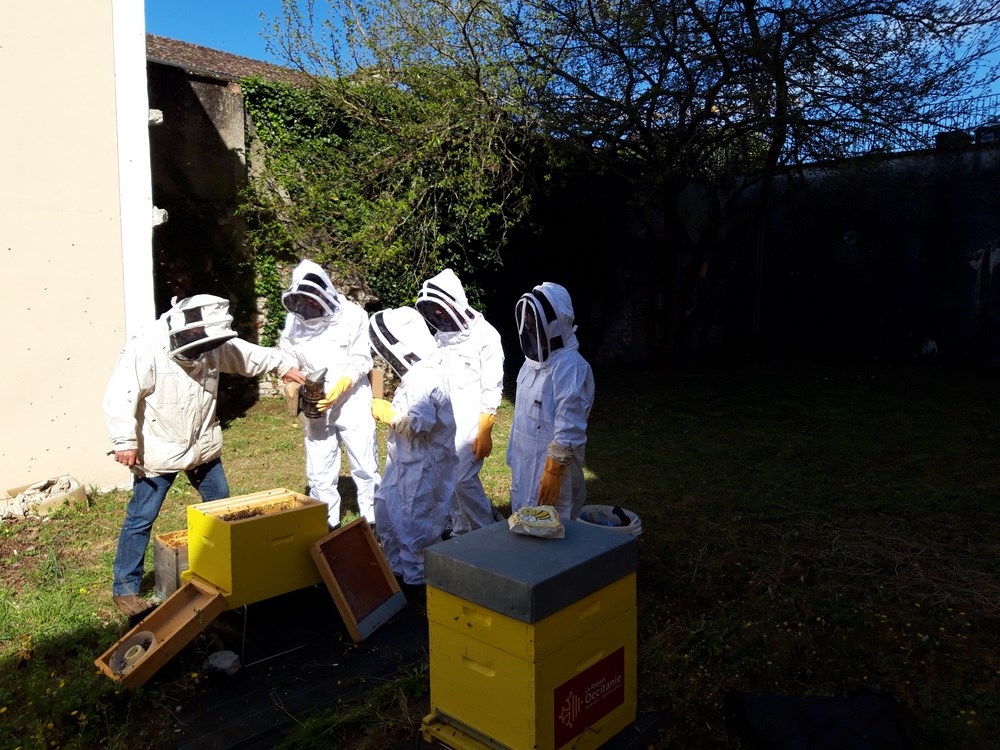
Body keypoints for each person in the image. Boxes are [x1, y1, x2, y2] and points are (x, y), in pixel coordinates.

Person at [103, 294, 305, 616]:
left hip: (202, 444)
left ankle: (220, 569)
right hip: (160, 446)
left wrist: (283, 365)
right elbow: (120, 395)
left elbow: (245, 355)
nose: (204, 348)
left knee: (221, 508)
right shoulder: (145, 348)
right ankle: (124, 589)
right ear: (186, 330)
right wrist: (125, 441)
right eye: (199, 340)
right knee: (142, 516)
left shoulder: (210, 342)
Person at [278, 259, 381, 530]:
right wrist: (289, 380)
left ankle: (374, 518)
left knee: (365, 463)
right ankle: (326, 522)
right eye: (302, 300)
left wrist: (343, 384)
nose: (309, 307)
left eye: (313, 300)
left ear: (325, 293)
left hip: (352, 400)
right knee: (319, 467)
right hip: (316, 401)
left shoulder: (354, 315)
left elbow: (362, 359)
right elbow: (287, 359)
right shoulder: (293, 322)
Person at [368, 306, 458, 587]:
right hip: (403, 458)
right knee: (386, 509)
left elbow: (420, 425)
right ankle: (396, 570)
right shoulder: (419, 371)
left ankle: (417, 581)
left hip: (423, 462)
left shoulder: (424, 375)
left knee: (415, 521)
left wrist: (388, 415)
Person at [415, 269, 503, 536]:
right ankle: (461, 533)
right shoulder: (442, 336)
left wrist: (486, 425)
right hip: (445, 420)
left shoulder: (486, 335)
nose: (438, 315)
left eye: (440, 308)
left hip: (471, 424)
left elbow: (493, 383)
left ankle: (486, 534)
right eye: (433, 310)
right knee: (447, 479)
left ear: (455, 302)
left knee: (463, 480)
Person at [506, 282, 595, 522]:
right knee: (524, 523)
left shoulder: (571, 366)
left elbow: (570, 426)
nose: (532, 332)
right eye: (530, 326)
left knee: (554, 528)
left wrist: (553, 469)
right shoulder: (529, 364)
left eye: (536, 326)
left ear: (555, 325)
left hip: (556, 475)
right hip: (524, 467)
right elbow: (520, 418)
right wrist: (514, 457)